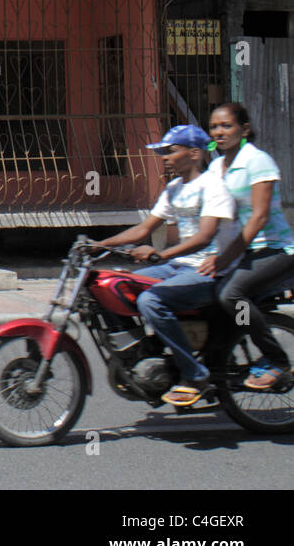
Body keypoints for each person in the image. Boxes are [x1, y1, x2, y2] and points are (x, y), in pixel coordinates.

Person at [93, 124, 236, 406]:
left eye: (171, 151)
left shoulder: (213, 186)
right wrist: (98, 246)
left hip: (209, 270)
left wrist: (161, 256)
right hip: (180, 266)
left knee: (151, 301)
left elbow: (205, 236)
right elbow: (143, 229)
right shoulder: (173, 189)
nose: (165, 158)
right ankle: (145, 355)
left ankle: (195, 375)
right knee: (113, 286)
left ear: (195, 154)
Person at [203, 103, 294, 392]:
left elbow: (259, 217)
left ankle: (276, 359)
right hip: (242, 252)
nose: (219, 132)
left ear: (244, 129)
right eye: (214, 126)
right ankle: (211, 369)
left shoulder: (258, 161)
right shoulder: (216, 165)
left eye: (226, 126)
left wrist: (223, 257)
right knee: (203, 295)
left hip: (275, 250)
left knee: (232, 295)